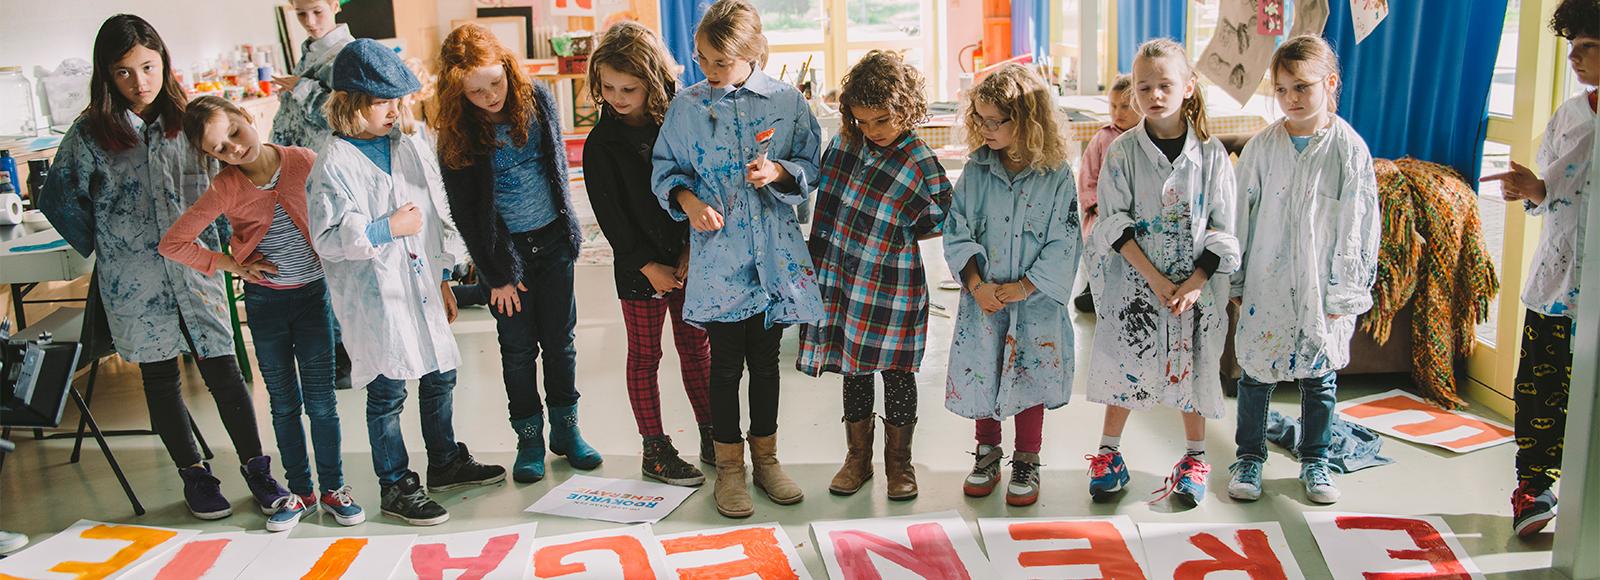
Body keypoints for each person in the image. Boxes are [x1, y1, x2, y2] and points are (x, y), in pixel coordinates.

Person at [307, 38, 505, 526]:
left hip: (420, 285)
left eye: (398, 99)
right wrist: (383, 228)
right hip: (375, 298)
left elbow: (435, 216)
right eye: (381, 101)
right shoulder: (333, 162)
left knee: (440, 374)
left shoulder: (410, 147)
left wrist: (442, 277)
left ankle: (444, 462)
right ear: (351, 103)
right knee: (388, 388)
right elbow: (327, 238)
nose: (393, 110)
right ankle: (395, 484)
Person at [651, 0, 823, 518]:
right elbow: (666, 170)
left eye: (721, 63)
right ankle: (729, 469)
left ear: (752, 55)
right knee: (724, 367)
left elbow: (811, 164)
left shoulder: (788, 102)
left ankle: (767, 460)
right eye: (702, 59)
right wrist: (690, 203)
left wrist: (779, 174)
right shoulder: (687, 107)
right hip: (719, 258)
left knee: (766, 364)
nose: (710, 71)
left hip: (774, 255)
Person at [161, 96, 365, 531]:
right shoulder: (226, 188)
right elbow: (173, 244)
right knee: (284, 406)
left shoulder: (304, 162)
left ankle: (333, 489)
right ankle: (302, 492)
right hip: (267, 307)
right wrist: (231, 264)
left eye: (234, 133)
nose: (234, 149)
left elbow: (343, 212)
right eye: (219, 149)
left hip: (313, 300)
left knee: (323, 404)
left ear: (247, 117)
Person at [434, 24, 601, 485]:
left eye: (496, 82)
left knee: (561, 342)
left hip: (552, 242)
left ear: (508, 68)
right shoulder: (458, 134)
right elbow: (468, 213)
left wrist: (569, 233)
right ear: (457, 91)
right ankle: (529, 440)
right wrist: (497, 275)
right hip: (505, 260)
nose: (490, 96)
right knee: (517, 350)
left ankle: (567, 434)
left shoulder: (538, 99)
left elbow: (557, 172)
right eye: (476, 90)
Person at [1084, 38, 1239, 507]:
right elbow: (1113, 221)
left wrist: (1194, 283)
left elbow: (1223, 226)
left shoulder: (1211, 155)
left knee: (1194, 371)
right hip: (1135, 286)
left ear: (1188, 87)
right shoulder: (1123, 153)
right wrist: (1154, 279)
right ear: (1134, 95)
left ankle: (1193, 459)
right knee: (1127, 368)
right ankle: (1109, 455)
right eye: (1144, 87)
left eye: (1165, 85)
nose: (1154, 95)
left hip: (1197, 290)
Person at [1226, 35, 1379, 506]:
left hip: (1322, 286)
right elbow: (1239, 216)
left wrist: (1344, 294)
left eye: (1302, 88)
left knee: (1320, 379)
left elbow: (1360, 225)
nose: (1291, 99)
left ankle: (1316, 459)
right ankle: (1249, 456)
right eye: (1282, 89)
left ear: (1330, 84)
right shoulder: (1261, 150)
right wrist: (1234, 279)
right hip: (1266, 283)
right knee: (1255, 375)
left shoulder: (1349, 152)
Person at [798, 50, 951, 502]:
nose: (872, 131)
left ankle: (899, 465)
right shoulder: (846, 144)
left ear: (907, 108)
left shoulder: (920, 161)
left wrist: (896, 234)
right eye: (862, 121)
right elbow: (825, 202)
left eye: (881, 121)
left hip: (893, 288)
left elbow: (944, 215)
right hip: (843, 282)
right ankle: (858, 459)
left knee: (899, 374)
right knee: (854, 372)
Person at [1478, 0, 1599, 537]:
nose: (1574, 57)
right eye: (1571, 47)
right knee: (1540, 390)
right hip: (1556, 281)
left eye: (1588, 48)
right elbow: (1545, 193)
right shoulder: (1569, 115)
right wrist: (1527, 189)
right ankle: (1533, 489)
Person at [943, 64, 1081, 507]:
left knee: (1029, 376)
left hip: (1035, 304)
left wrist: (1025, 287)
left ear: (1027, 120)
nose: (985, 129)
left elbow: (1066, 239)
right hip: (982, 300)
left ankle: (1027, 459)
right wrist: (976, 283)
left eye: (996, 121)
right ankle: (986, 451)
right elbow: (956, 229)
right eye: (979, 119)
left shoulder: (1057, 175)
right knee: (984, 371)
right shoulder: (975, 172)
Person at [583, 22, 715, 486]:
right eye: (609, 88)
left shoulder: (674, 124)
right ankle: (654, 449)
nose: (618, 97)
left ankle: (712, 434)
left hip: (685, 258)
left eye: (629, 88)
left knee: (696, 349)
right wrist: (647, 265)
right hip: (639, 268)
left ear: (653, 83)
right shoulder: (601, 143)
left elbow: (694, 184)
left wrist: (687, 251)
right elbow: (611, 217)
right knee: (644, 356)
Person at [1073, 74, 1140, 313]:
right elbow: (1086, 181)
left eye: (1125, 106)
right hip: (1102, 211)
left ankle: (1129, 288)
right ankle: (1095, 287)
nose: (1117, 112)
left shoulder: (1143, 138)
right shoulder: (1102, 138)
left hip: (1135, 211)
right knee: (1100, 239)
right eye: (1113, 106)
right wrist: (1097, 205)